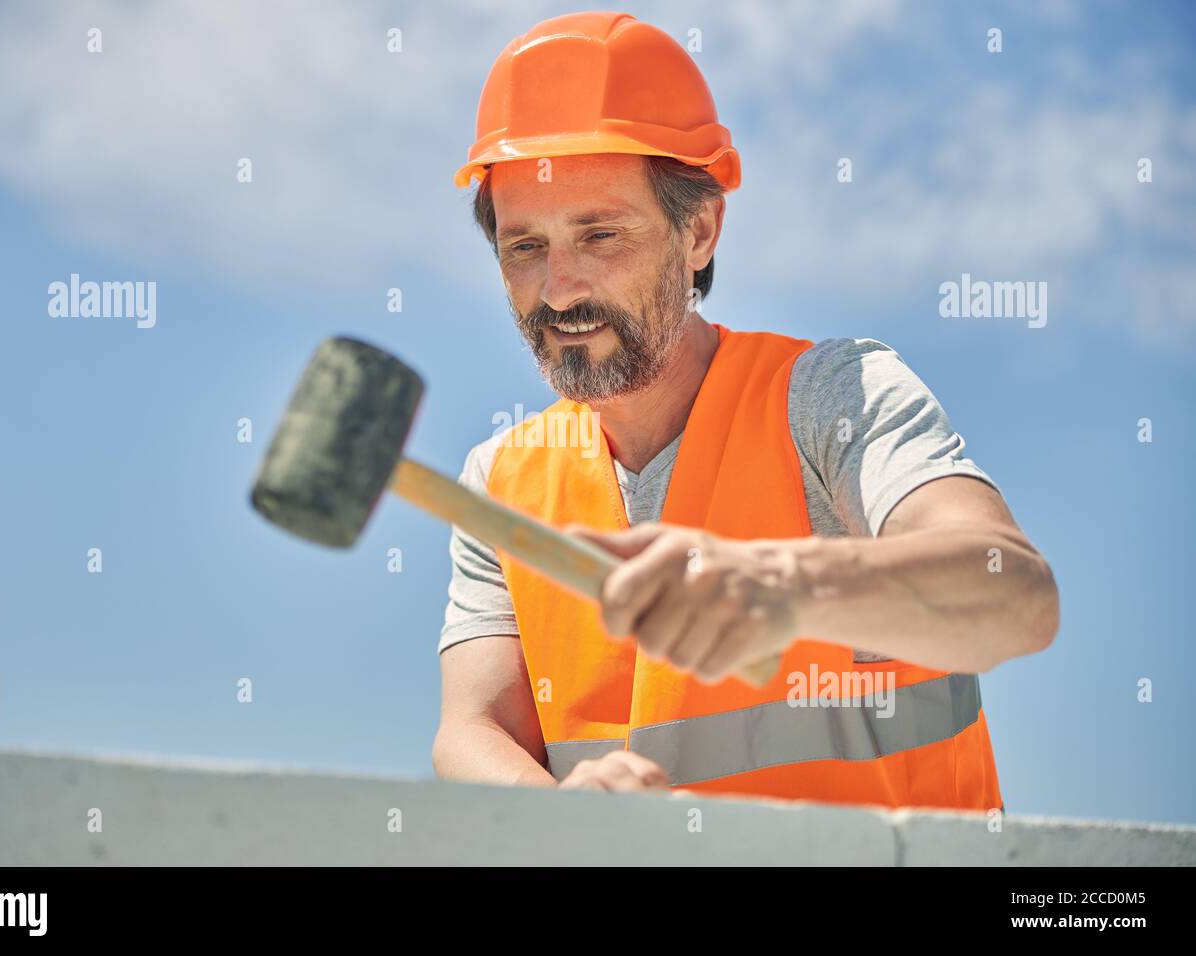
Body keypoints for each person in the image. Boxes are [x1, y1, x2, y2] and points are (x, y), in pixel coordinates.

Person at [433, 12, 1057, 810]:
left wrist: (784, 583)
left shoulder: (833, 394)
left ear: (698, 231)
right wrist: (565, 818)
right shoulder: (499, 481)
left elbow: (1019, 599)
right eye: (525, 247)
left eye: (600, 235)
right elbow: (471, 731)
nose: (561, 288)